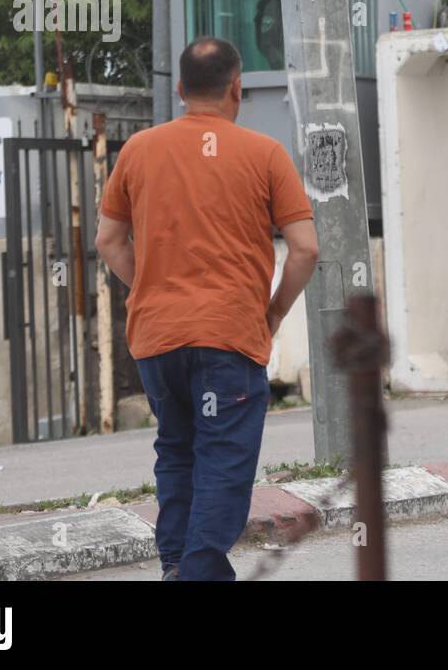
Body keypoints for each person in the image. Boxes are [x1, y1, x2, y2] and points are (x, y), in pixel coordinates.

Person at [94, 37, 320, 580]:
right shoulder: (264, 153)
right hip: (229, 336)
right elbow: (306, 248)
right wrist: (274, 313)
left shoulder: (139, 150)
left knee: (176, 451)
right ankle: (195, 574)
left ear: (178, 90)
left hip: (157, 339)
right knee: (223, 460)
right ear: (236, 87)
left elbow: (108, 241)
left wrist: (146, 285)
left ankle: (177, 564)